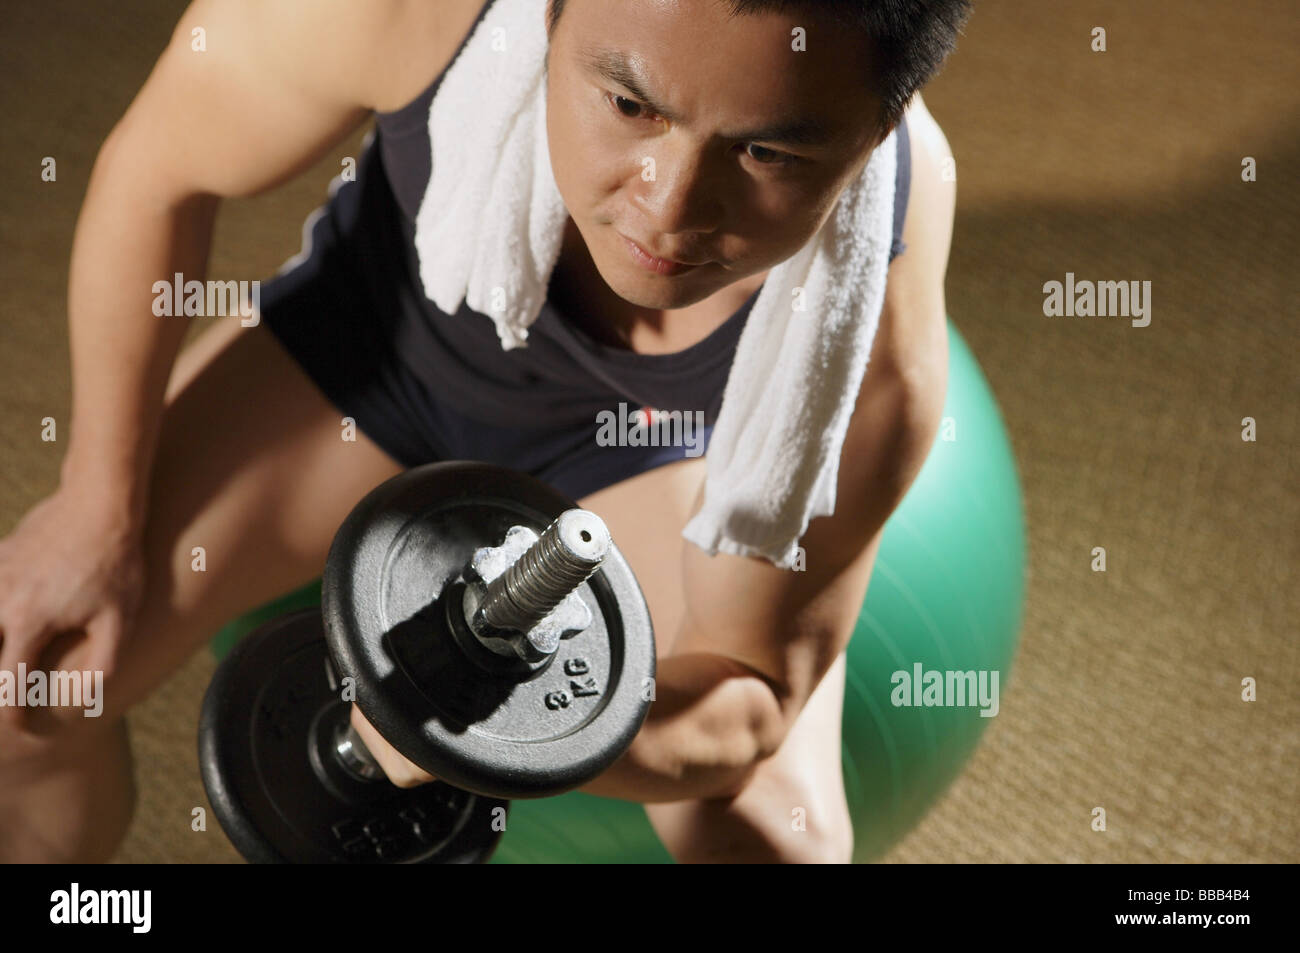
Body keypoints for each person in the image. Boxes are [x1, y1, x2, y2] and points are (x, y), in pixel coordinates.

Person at [0, 0, 964, 863]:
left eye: (766, 152)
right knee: (25, 684)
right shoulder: (401, 11)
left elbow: (749, 698)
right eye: (630, 106)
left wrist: (508, 719)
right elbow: (157, 171)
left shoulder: (875, 347)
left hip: (675, 452)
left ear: (876, 135)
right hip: (382, 351)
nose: (667, 210)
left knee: (772, 839)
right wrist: (96, 508)